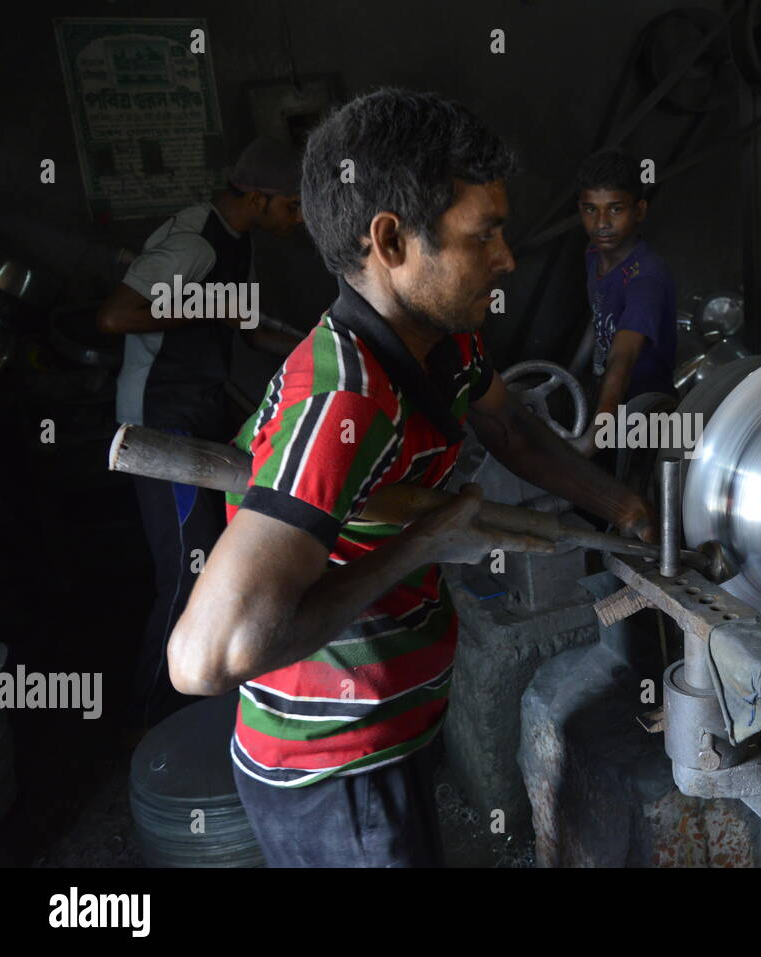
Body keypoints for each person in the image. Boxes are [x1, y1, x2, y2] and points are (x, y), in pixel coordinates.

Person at [165, 89, 656, 867]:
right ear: (391, 241)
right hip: (330, 772)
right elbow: (204, 658)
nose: (507, 258)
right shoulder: (343, 404)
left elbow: (510, 427)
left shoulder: (447, 343)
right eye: (483, 233)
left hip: (390, 739)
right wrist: (423, 540)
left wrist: (622, 505)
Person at [96, 137, 305, 734]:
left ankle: (201, 709)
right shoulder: (193, 243)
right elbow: (114, 316)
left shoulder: (238, 242)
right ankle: (151, 726)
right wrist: (204, 309)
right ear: (260, 199)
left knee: (214, 562)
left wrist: (327, 345)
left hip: (197, 411)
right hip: (155, 425)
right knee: (186, 573)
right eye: (290, 205)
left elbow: (251, 331)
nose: (296, 218)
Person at [570, 148, 677, 457]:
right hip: (605, 400)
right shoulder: (593, 254)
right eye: (591, 210)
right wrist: (574, 373)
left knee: (631, 490)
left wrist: (594, 438)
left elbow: (624, 357)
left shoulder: (646, 280)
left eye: (615, 210)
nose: (601, 223)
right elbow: (599, 312)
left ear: (639, 211)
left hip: (647, 414)